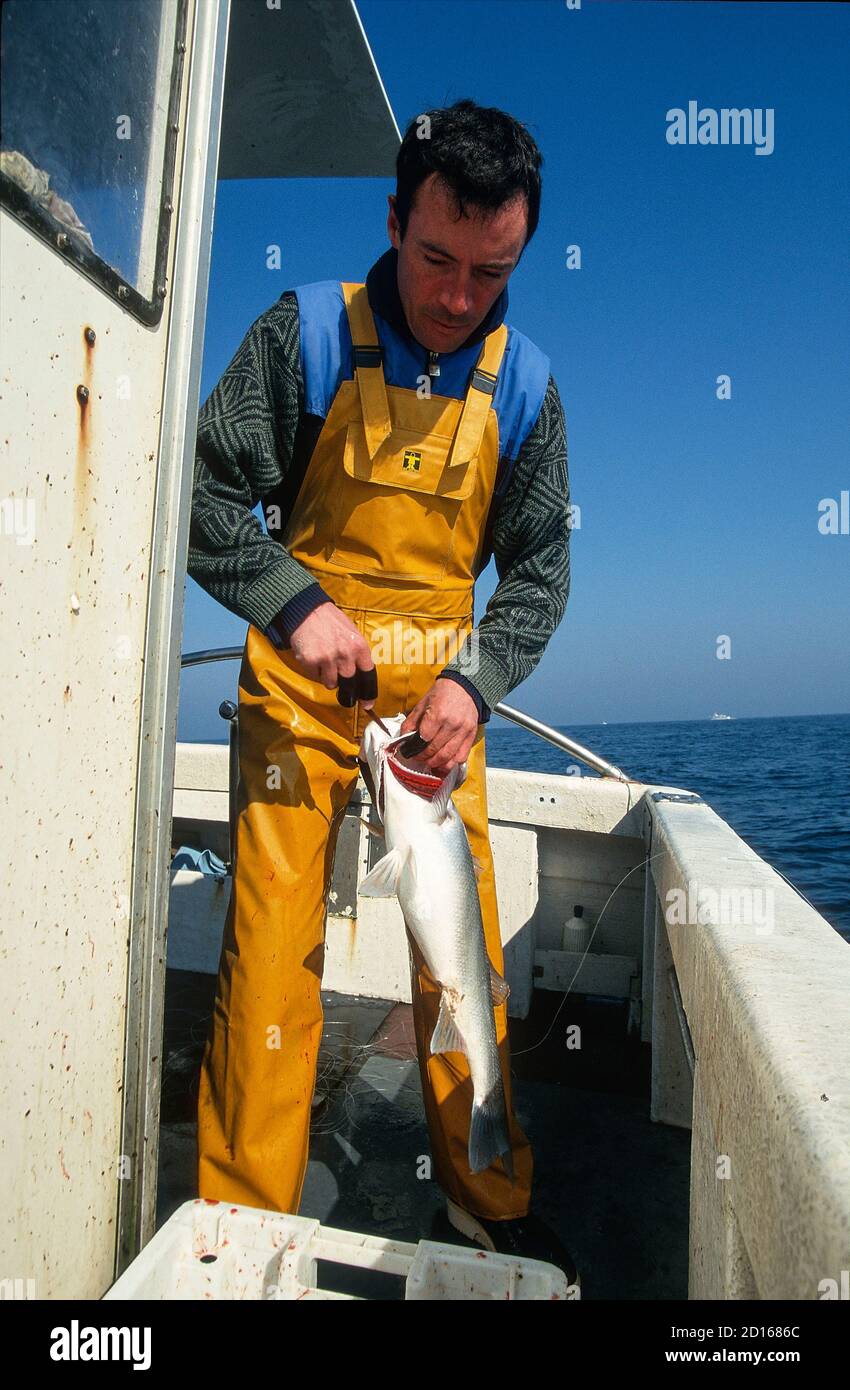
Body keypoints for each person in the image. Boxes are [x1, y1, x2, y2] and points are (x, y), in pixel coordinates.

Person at [188, 99, 575, 1280]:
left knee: (461, 961)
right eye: (437, 258)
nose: (458, 297)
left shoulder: (526, 389)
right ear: (396, 219)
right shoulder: (302, 335)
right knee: (268, 955)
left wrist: (478, 680)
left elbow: (541, 572)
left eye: (491, 271)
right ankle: (243, 1224)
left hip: (436, 721)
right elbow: (202, 499)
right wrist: (293, 602)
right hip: (299, 691)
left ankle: (485, 1190)